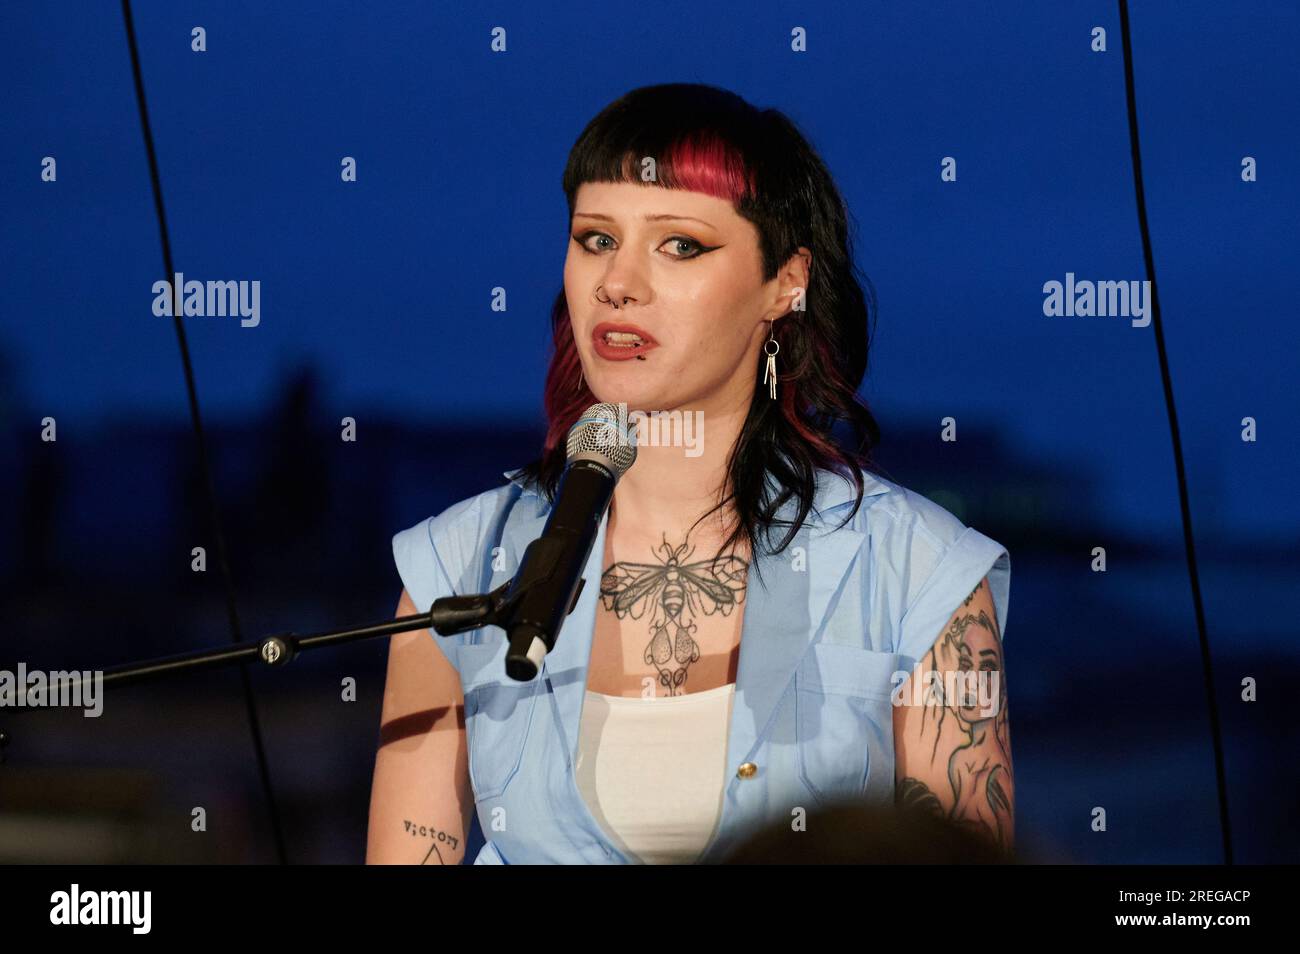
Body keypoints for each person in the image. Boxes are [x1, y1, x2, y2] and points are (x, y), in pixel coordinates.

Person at [366, 83, 1013, 865]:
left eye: (680, 244)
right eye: (596, 239)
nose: (618, 283)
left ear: (787, 282)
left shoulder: (920, 570)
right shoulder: (457, 565)